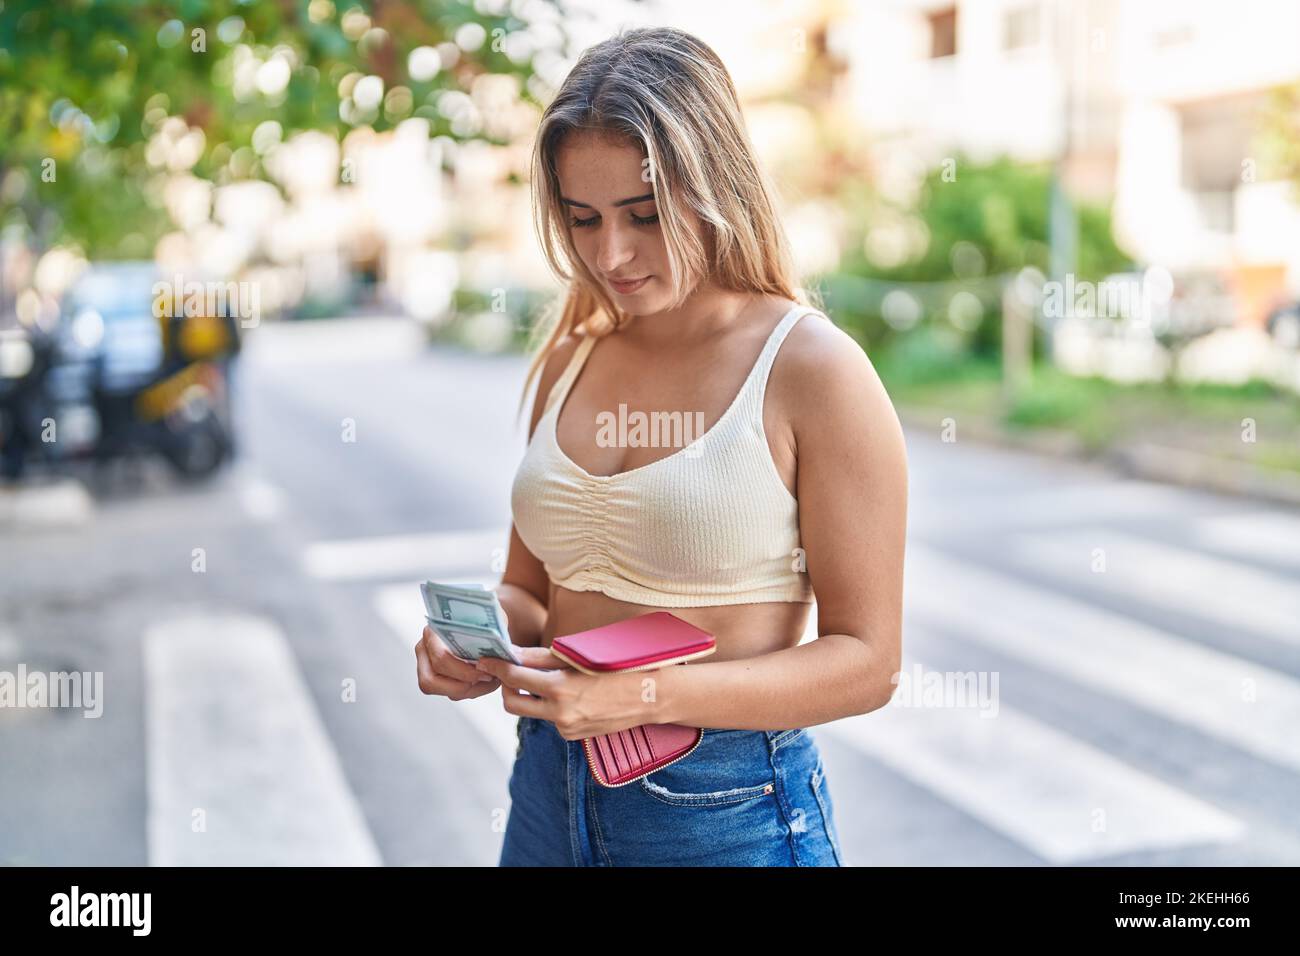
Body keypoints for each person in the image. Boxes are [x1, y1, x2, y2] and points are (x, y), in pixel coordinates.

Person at [415, 25, 908, 866]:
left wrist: (644, 695)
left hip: (720, 808)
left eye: (643, 215)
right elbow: (534, 592)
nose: (610, 253)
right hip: (548, 789)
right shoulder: (571, 358)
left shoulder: (811, 369)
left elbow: (868, 662)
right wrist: (478, 638)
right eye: (583, 218)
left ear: (714, 186)